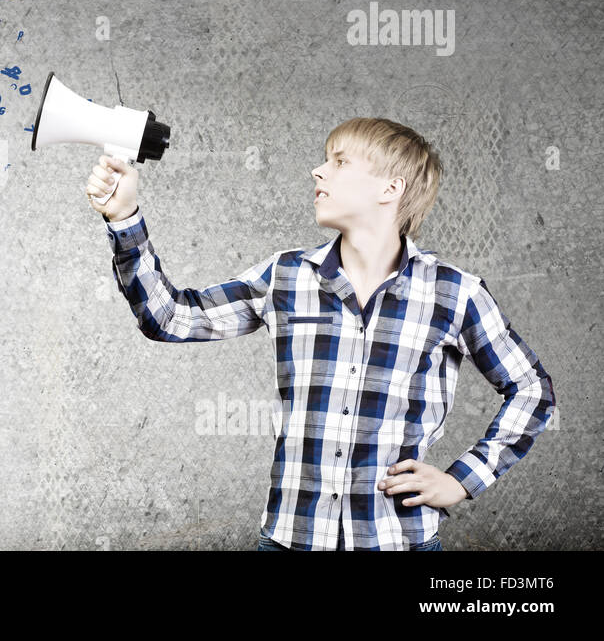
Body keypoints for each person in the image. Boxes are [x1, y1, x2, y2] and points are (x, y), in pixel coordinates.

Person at [86, 117, 556, 550]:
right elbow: (170, 319)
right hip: (291, 538)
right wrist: (124, 218)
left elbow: (531, 389)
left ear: (391, 188)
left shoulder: (454, 292)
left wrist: (462, 479)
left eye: (339, 162)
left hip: (398, 541)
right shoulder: (285, 275)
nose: (317, 171)